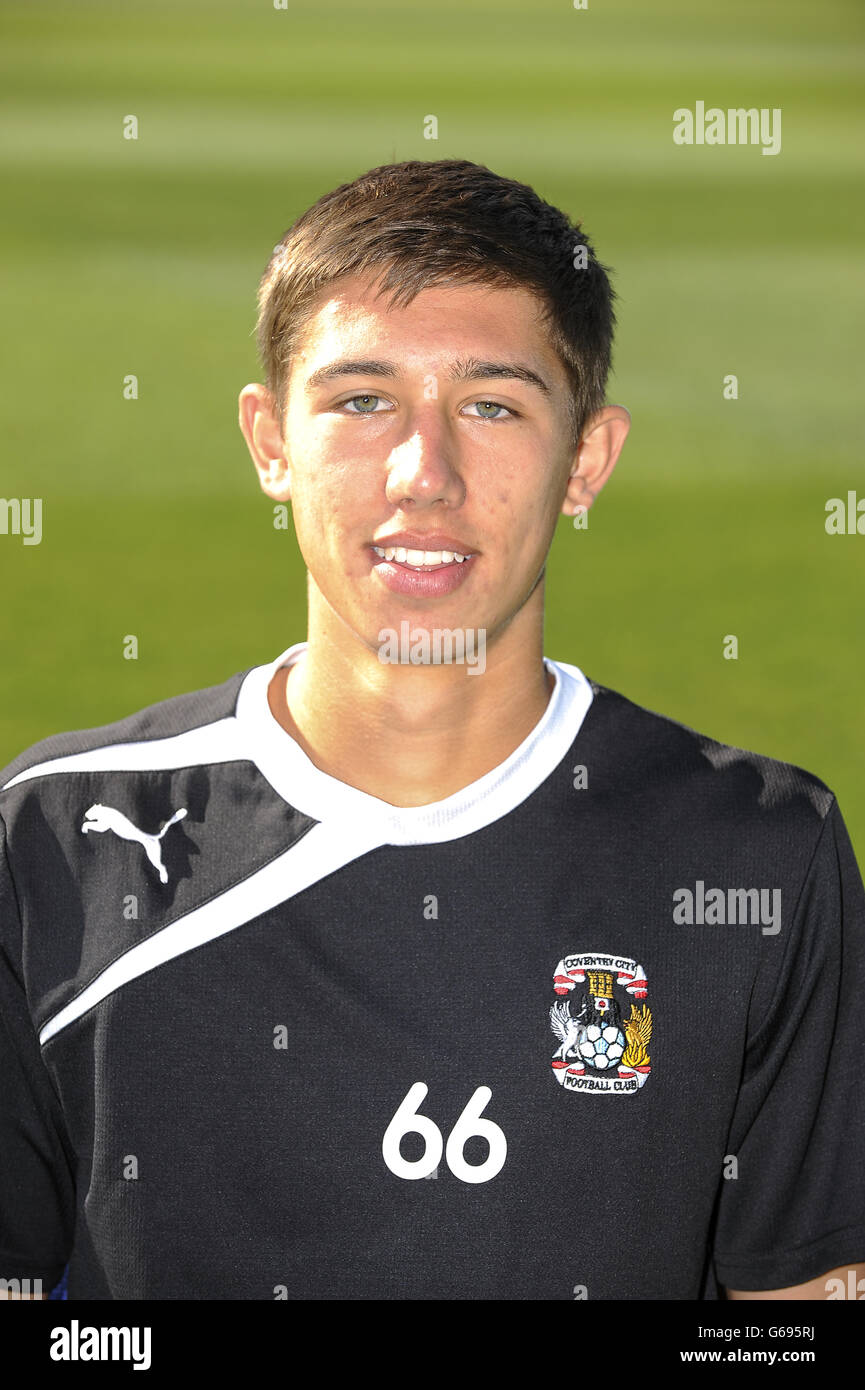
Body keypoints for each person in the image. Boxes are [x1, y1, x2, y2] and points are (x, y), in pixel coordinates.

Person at [1, 159, 863, 1301]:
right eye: (362, 401)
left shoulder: (760, 853)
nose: (425, 473)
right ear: (270, 443)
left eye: (492, 404)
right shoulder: (57, 838)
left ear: (585, 461)